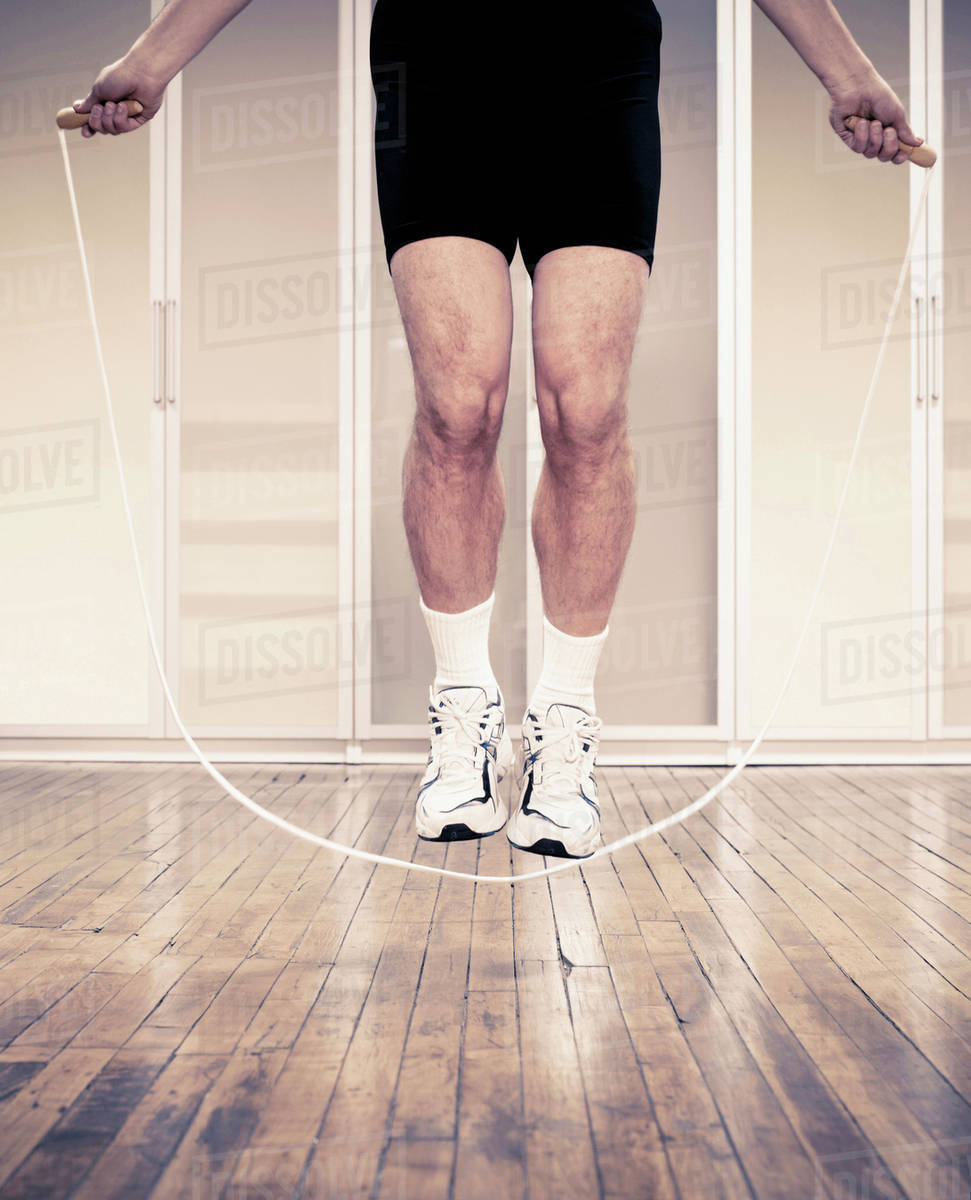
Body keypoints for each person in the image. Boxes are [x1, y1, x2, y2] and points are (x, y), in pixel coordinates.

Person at [75, 0, 923, 858]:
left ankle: (563, 727)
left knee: (584, 410)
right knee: (457, 406)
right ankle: (464, 718)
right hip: (436, 64)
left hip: (597, 62)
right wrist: (151, 60)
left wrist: (850, 76)